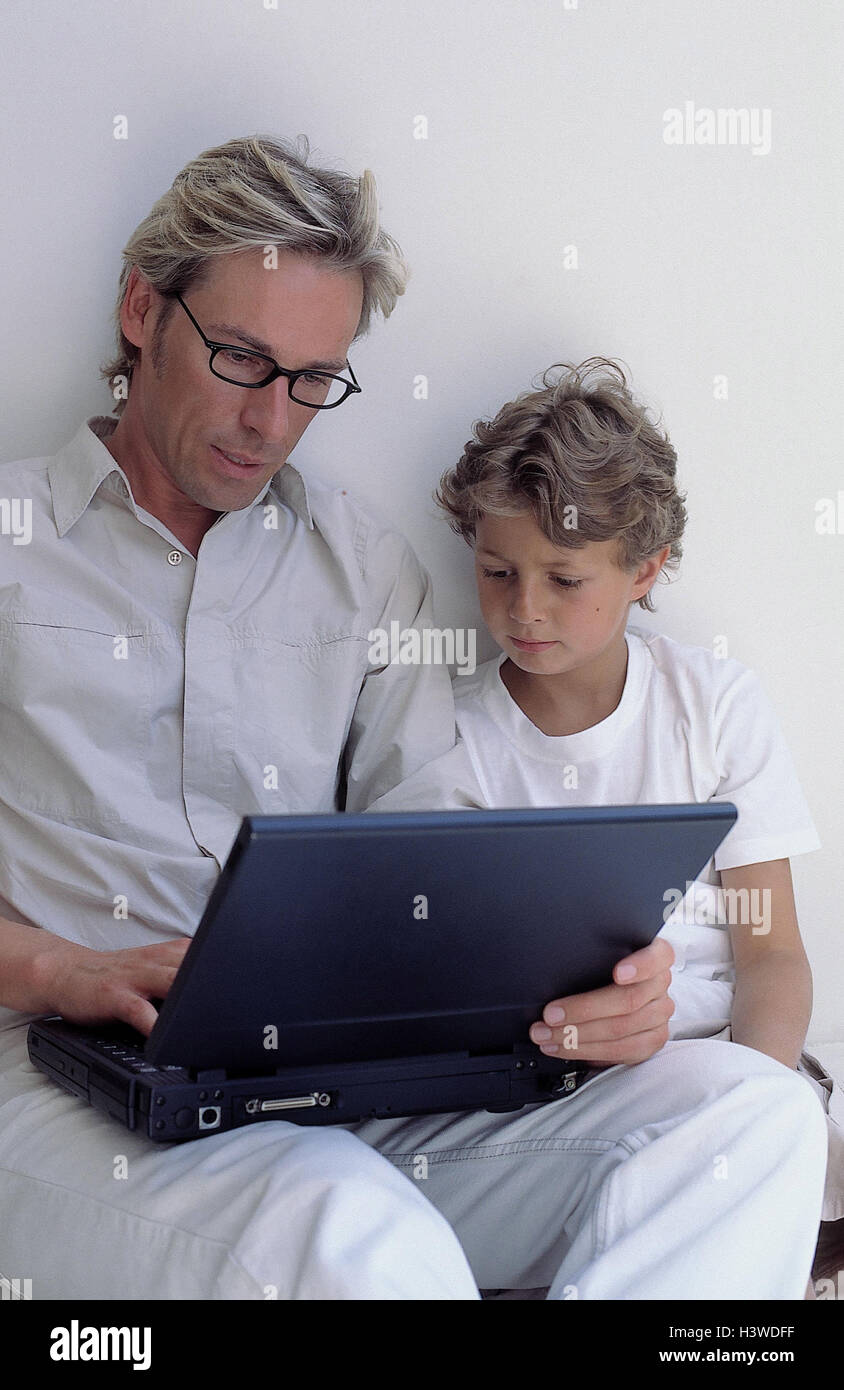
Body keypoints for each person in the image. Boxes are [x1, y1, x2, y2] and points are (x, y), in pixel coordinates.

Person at [0, 136, 827, 1301]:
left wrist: (594, 981)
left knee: (756, 1117)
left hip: (336, 1091)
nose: (273, 422)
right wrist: (57, 965)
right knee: (353, 1235)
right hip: (64, 1086)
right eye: (242, 360)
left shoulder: (360, 567)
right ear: (143, 308)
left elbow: (432, 864)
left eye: (312, 381)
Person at [411, 355, 842, 1288]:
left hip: (719, 1073)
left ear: (645, 570)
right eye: (496, 571)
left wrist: (752, 1090)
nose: (523, 609)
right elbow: (452, 999)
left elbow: (773, 954)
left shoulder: (712, 703)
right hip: (549, 1102)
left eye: (565, 580)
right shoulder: (446, 737)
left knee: (770, 1124)